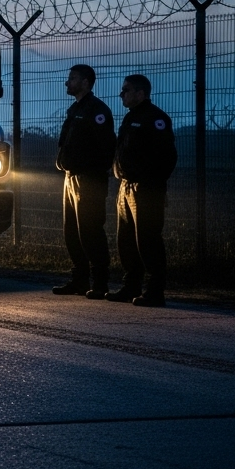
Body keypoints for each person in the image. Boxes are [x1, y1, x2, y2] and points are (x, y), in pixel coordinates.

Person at [107, 74, 177, 307]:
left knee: (147, 239)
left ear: (140, 93)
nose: (122, 95)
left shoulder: (156, 119)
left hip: (146, 189)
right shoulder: (131, 118)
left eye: (126, 90)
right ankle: (131, 286)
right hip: (125, 187)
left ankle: (155, 291)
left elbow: (167, 157)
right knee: (125, 239)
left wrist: (151, 184)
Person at [52, 64, 116, 299]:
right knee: (72, 231)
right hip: (71, 178)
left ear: (86, 82)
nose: (68, 82)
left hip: (89, 179)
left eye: (73, 78)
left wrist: (90, 171)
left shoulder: (97, 110)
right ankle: (79, 280)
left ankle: (100, 283)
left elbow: (106, 147)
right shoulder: (75, 109)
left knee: (90, 231)